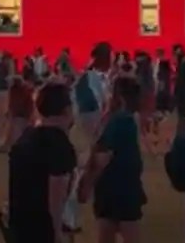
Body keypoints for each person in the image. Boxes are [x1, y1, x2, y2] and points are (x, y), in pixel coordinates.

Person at [6, 82, 78, 243]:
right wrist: (57, 231)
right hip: (42, 229)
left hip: (20, 226)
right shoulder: (59, 145)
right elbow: (56, 194)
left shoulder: (26, 138)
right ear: (67, 110)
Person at [78, 75, 147, 243]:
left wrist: (87, 183)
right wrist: (87, 184)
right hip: (123, 189)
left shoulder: (112, 119)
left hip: (108, 190)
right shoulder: (123, 121)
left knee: (106, 234)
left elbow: (98, 151)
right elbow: (103, 157)